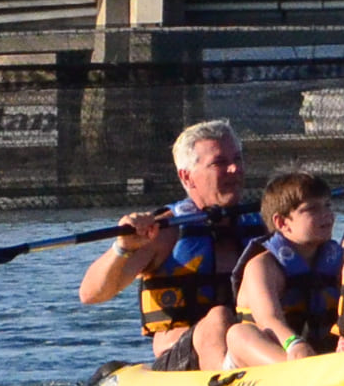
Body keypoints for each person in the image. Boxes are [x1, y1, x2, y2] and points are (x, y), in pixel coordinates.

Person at [79, 121, 264, 370]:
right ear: (187, 176)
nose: (234, 169)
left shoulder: (262, 225)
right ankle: (230, 376)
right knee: (219, 318)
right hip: (181, 359)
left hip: (248, 342)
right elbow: (91, 294)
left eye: (237, 159)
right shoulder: (164, 232)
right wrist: (123, 248)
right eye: (219, 163)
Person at [227, 173, 344, 366]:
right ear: (282, 223)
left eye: (327, 205)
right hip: (266, 360)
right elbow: (268, 318)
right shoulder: (262, 266)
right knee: (239, 334)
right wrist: (294, 345)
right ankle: (300, 371)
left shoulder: (336, 260)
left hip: (319, 359)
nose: (326, 214)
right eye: (312, 209)